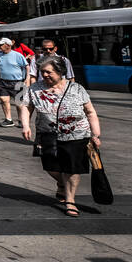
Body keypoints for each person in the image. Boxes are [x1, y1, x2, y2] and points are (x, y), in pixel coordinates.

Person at [19, 60, 102, 218]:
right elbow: (26, 106)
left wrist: (95, 134)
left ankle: (70, 200)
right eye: (42, 71)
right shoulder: (35, 88)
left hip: (76, 133)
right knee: (50, 165)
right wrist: (26, 125)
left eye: (49, 72)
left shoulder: (77, 89)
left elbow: (90, 112)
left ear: (60, 72)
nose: (44, 75)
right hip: (47, 133)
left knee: (71, 168)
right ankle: (62, 183)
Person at [0, 37, 29, 127]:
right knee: (3, 99)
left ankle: (22, 120)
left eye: (1, 44)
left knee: (19, 102)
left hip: (18, 81)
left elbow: (27, 66)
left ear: (8, 45)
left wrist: (27, 78)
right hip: (3, 81)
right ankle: (8, 119)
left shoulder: (18, 55)